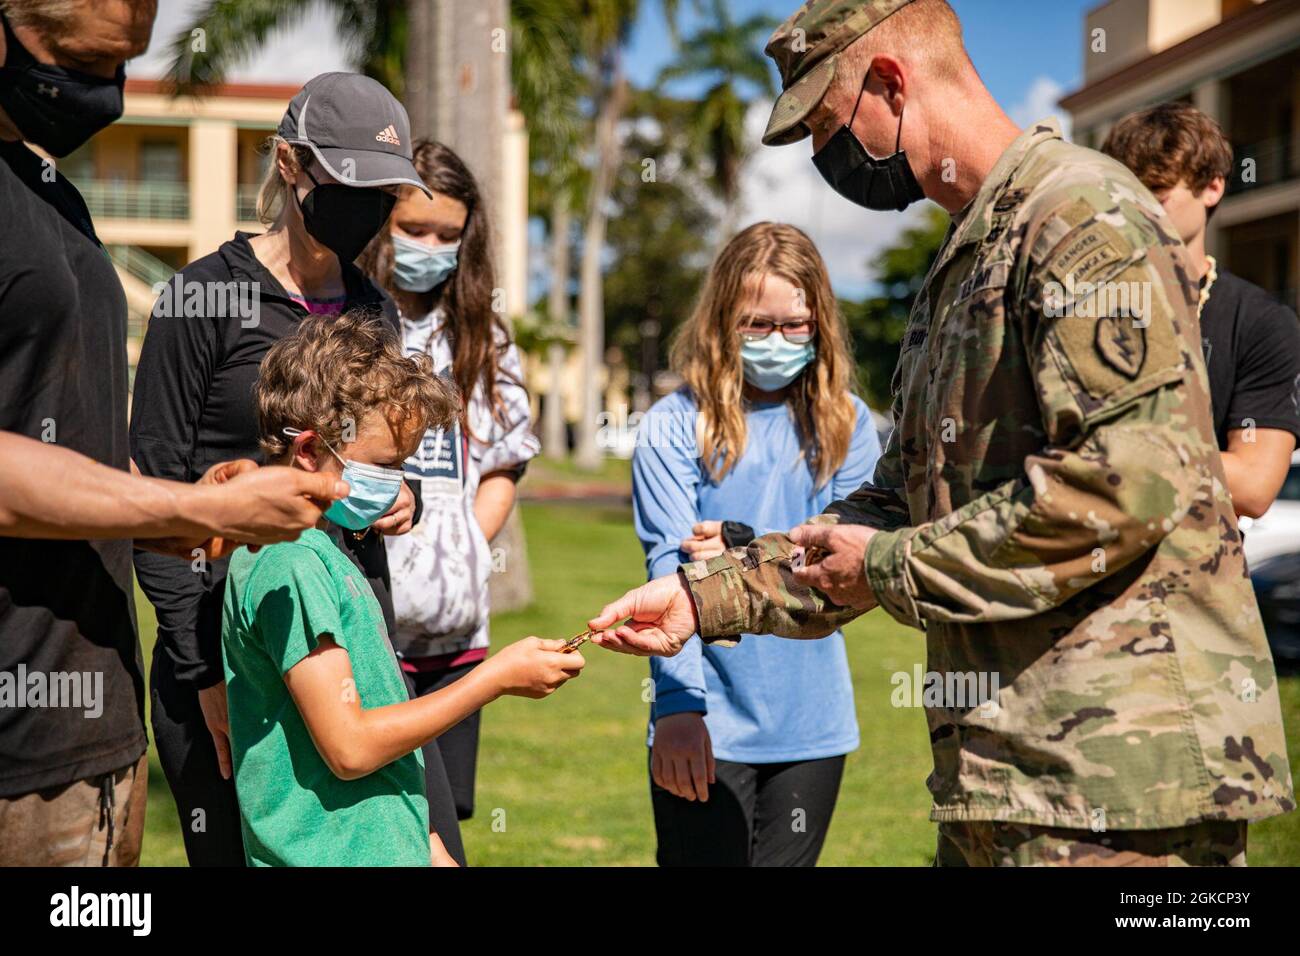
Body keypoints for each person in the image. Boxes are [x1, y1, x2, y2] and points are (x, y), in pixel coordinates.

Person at [590, 0, 1295, 867]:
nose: (823, 161)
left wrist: (883, 566)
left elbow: (1124, 485)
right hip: (1003, 779)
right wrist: (707, 600)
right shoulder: (966, 255)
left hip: (1120, 788)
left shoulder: (1081, 216)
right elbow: (896, 501)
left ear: (889, 82)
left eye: (825, 126)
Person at [0, 0, 346, 867]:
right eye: (81, 61)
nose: (106, 94)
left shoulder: (52, 199)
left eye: (124, 64)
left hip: (94, 730)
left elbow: (71, 450)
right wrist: (178, 499)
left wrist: (199, 510)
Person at [130, 72, 433, 866]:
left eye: (384, 194)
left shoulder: (375, 309)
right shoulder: (198, 300)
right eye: (349, 185)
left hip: (343, 634)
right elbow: (153, 490)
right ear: (290, 166)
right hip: (226, 654)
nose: (368, 211)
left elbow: (379, 446)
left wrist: (406, 495)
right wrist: (204, 673)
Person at [223, 310, 583, 866]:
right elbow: (350, 747)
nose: (396, 483)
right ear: (308, 450)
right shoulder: (288, 563)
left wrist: (421, 840)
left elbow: (374, 714)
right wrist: (494, 679)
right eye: (385, 464)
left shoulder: (328, 548)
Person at [634, 222, 880, 867]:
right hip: (706, 719)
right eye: (756, 325)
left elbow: (845, 559)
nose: (776, 341)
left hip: (812, 725)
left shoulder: (850, 426)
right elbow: (668, 562)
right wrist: (680, 706)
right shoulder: (671, 423)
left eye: (793, 325)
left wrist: (738, 541)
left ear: (820, 322)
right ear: (722, 321)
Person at [357, 140, 539, 865]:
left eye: (447, 236)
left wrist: (459, 539)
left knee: (446, 813)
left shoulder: (483, 336)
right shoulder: (351, 322)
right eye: (414, 229)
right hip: (373, 625)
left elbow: (501, 465)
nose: (430, 248)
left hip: (456, 636)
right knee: (418, 835)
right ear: (382, 225)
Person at [1101, 103, 1300, 519]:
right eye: (1123, 199)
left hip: (1194, 572)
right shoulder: (1086, 301)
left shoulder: (1260, 321)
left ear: (1212, 187)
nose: (1136, 214)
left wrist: (1103, 452)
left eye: (1157, 196)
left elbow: (1253, 485)